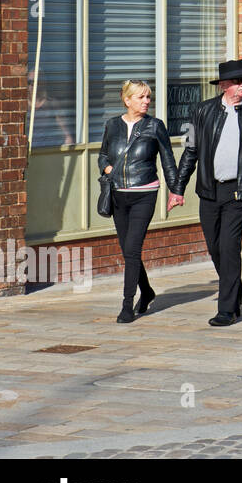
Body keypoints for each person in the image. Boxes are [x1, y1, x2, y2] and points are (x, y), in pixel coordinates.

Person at [177, 59, 242, 327]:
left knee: (229, 246)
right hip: (209, 189)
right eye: (237, 81)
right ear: (223, 85)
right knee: (215, 247)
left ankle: (227, 309)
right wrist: (177, 188)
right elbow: (191, 151)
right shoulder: (201, 111)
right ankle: (237, 290)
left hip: (239, 190)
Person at [98, 80, 185, 324]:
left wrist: (175, 190)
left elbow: (168, 160)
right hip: (117, 194)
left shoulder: (155, 126)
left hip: (144, 193)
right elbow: (103, 153)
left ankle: (127, 305)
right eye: (141, 97)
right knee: (128, 251)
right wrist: (106, 167)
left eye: (148, 97)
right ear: (127, 100)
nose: (147, 101)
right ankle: (147, 291)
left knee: (133, 248)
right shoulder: (112, 125)